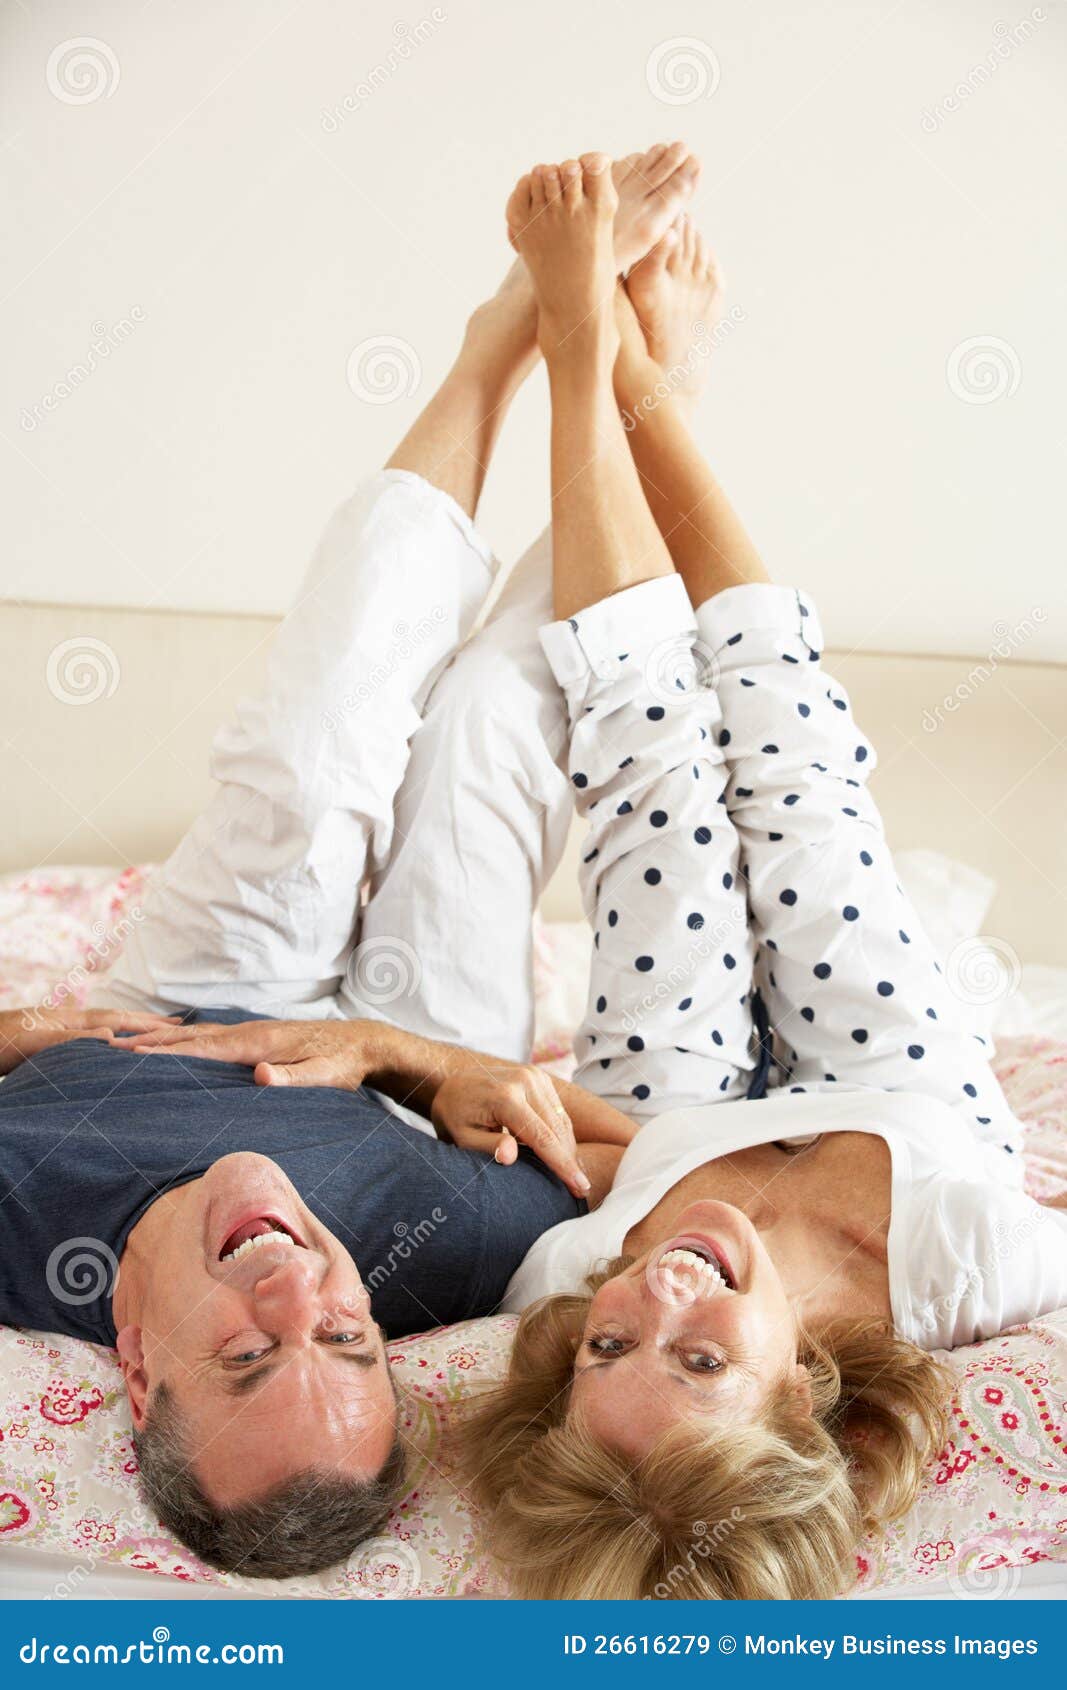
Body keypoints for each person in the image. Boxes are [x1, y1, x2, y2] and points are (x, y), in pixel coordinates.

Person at [0, 144, 702, 1579]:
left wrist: (14, 1029)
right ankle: (628, 386)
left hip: (187, 1001)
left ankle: (503, 341)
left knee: (309, 778)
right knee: (496, 720)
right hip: (407, 1052)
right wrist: (430, 1063)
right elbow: (689, 1160)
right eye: (345, 1334)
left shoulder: (18, 1238)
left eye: (249, 1355)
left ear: (139, 1375)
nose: (296, 1282)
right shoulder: (447, 1252)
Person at [433, 154, 1067, 1600]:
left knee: (650, 770)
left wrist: (485, 1098)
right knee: (789, 761)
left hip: (682, 1112)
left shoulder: (565, 1284)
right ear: (800, 1397)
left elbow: (563, 1159)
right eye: (701, 1353)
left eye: (612, 1347)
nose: (653, 1297)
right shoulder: (966, 1259)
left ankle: (586, 348)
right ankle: (659, 382)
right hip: (903, 1104)